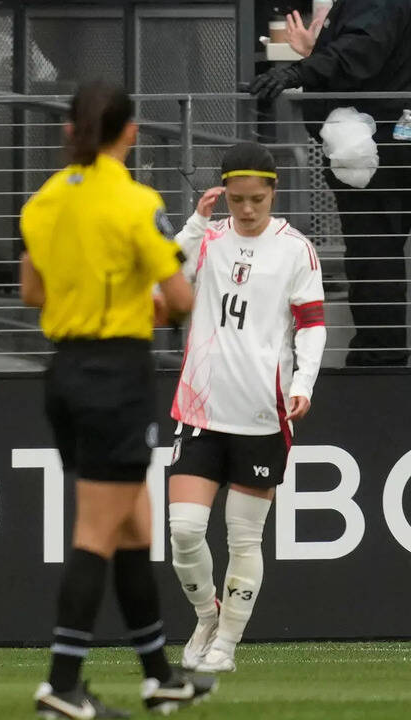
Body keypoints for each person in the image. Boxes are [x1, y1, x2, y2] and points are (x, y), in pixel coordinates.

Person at [19, 81, 214, 718]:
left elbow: (31, 292)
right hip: (116, 375)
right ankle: (61, 685)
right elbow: (181, 302)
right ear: (129, 133)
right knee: (98, 530)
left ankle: (160, 677)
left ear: (71, 131)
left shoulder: (44, 201)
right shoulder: (136, 203)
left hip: (66, 372)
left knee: (133, 526)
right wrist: (141, 302)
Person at [167, 143, 326, 673]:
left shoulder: (296, 249)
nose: (247, 210)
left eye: (257, 199)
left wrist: (303, 380)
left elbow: (311, 323)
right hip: (201, 408)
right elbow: (161, 281)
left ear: (274, 192)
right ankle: (205, 615)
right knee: (185, 530)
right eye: (237, 200)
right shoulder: (207, 239)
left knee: (244, 536)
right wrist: (193, 225)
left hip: (263, 412)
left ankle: (226, 647)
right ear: (224, 195)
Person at [249, 0, 411, 366]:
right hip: (387, 137)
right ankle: (381, 352)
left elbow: (362, 48)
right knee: (376, 252)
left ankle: (381, 356)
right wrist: (314, 54)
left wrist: (299, 71)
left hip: (376, 146)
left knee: (374, 252)